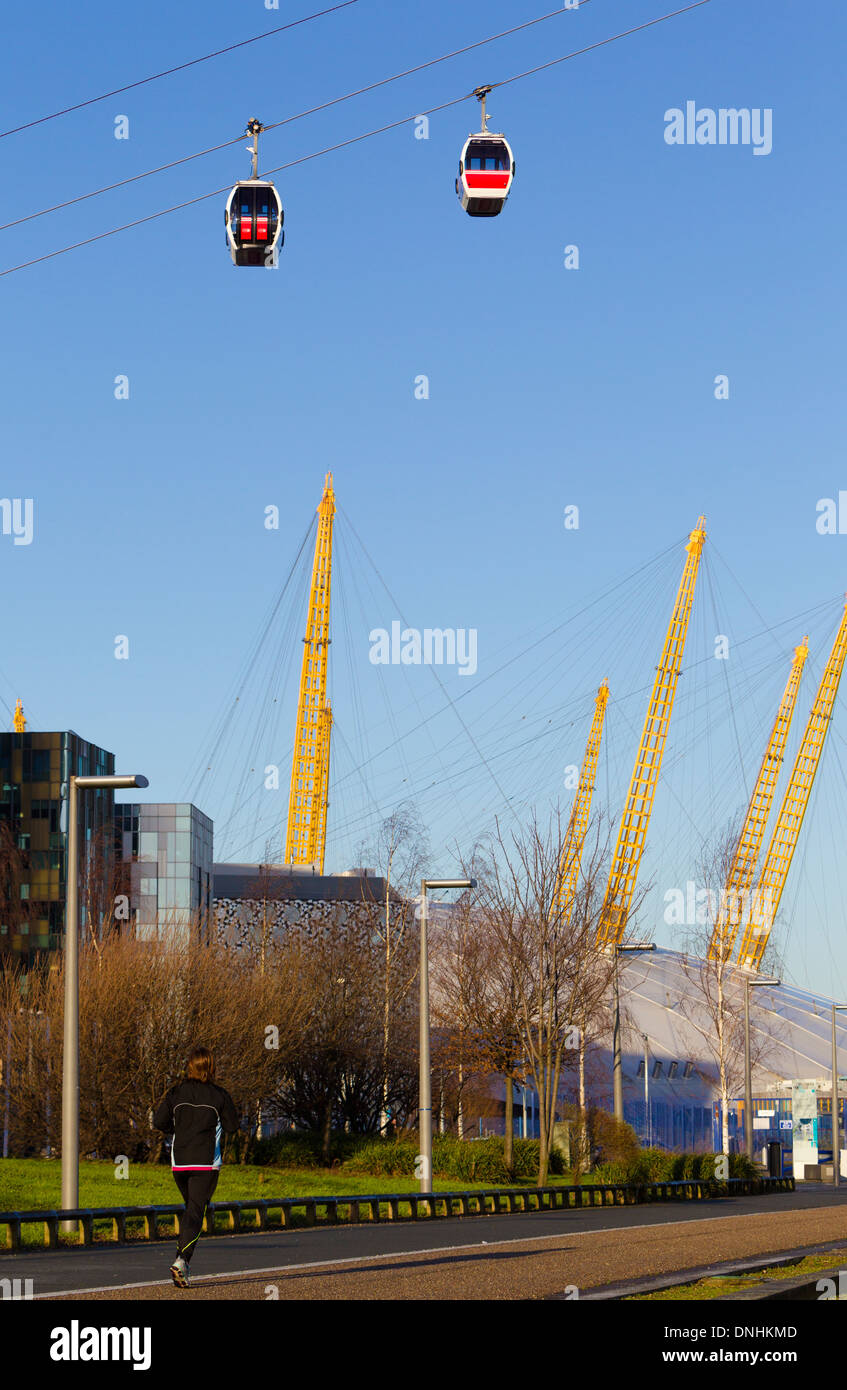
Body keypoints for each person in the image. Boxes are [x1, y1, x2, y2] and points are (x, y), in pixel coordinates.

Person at [152, 1045, 239, 1288]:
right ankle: (182, 1261)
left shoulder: (176, 1092)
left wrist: (177, 1130)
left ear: (189, 1066)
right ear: (212, 1067)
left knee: (191, 1209)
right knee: (195, 1212)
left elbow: (159, 1121)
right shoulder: (219, 1095)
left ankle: (183, 1261)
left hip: (179, 1163)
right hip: (205, 1163)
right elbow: (232, 1127)